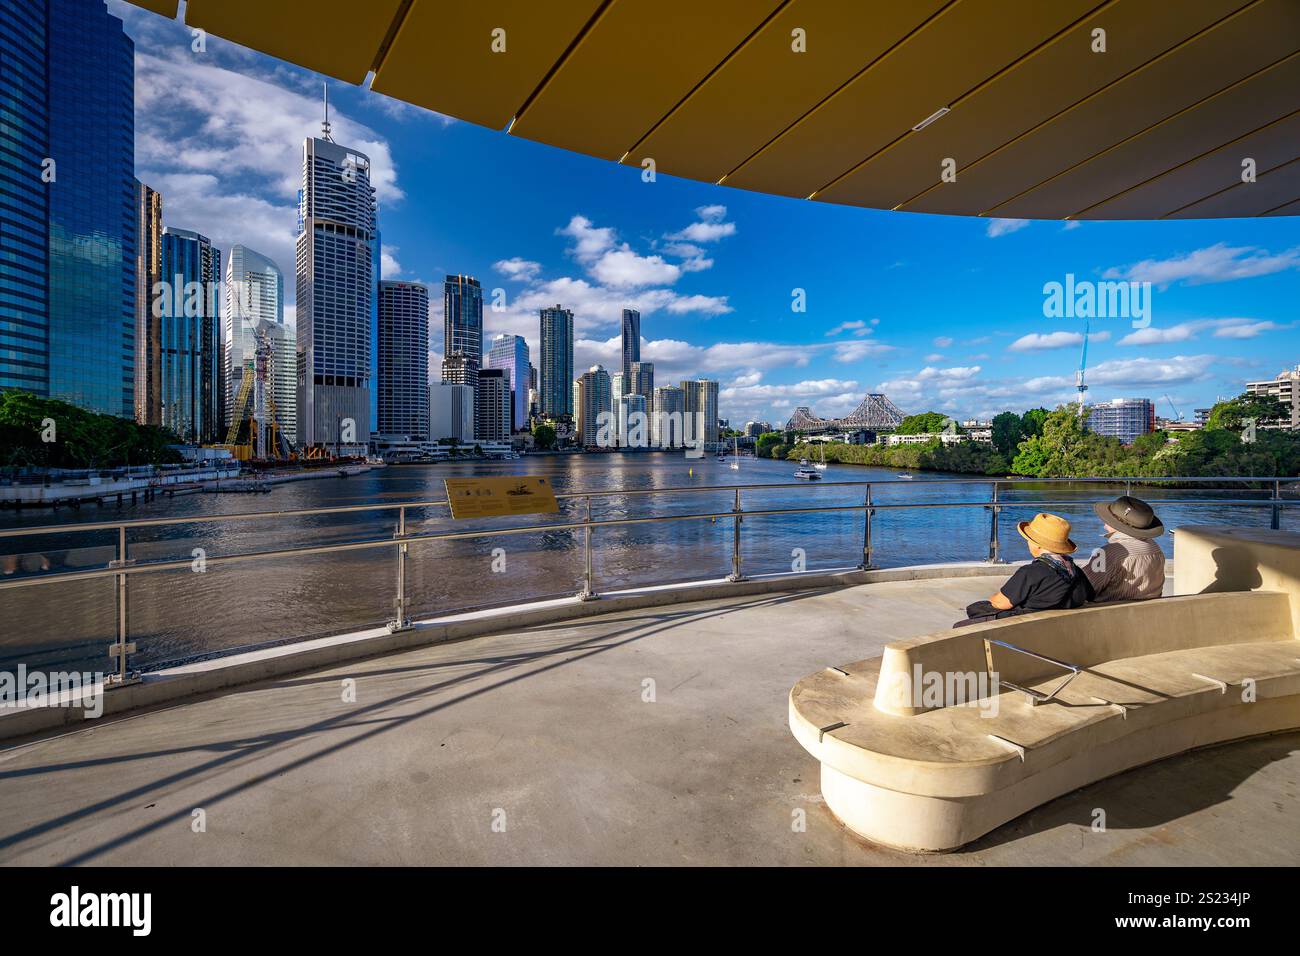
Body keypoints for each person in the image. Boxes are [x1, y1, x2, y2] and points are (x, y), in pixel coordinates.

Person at [954, 512, 1093, 627]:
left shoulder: (1031, 572)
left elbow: (1001, 603)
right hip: (1054, 622)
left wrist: (994, 599)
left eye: (1029, 541)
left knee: (970, 615)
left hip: (1028, 623)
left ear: (1037, 545)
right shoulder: (1075, 570)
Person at [1082, 495, 1165, 602]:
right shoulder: (1155, 548)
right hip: (1149, 613)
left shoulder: (1108, 553)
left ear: (1117, 524)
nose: (1104, 523)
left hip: (1108, 614)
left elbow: (1084, 590)